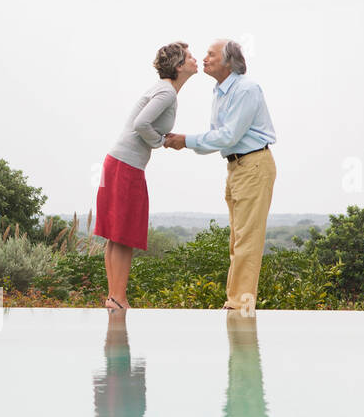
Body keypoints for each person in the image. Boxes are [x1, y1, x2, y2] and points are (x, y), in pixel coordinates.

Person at [164, 39, 276, 311]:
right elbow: (219, 140)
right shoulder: (219, 91)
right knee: (237, 241)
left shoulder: (246, 89)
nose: (204, 59)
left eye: (211, 55)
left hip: (254, 165)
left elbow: (228, 135)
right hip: (236, 167)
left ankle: (239, 304)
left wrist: (186, 140)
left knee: (247, 241)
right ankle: (235, 302)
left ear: (228, 61)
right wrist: (185, 142)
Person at [95, 42, 197, 311]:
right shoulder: (166, 93)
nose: (195, 60)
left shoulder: (164, 90)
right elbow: (141, 124)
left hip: (120, 163)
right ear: (178, 67)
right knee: (124, 235)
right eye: (190, 57)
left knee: (117, 235)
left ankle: (114, 297)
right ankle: (119, 298)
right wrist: (160, 141)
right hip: (126, 166)